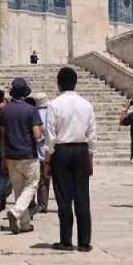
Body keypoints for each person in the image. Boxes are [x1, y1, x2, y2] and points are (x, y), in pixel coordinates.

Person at [44, 67, 96, 253]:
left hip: (62, 151)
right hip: (81, 151)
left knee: (64, 197)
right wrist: (89, 157)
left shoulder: (54, 105)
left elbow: (50, 135)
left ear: (59, 83)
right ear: (75, 82)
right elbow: (92, 135)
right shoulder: (86, 105)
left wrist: (48, 160)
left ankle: (66, 240)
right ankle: (84, 242)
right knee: (82, 196)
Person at [0, 78, 43, 235]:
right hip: (28, 154)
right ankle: (17, 212)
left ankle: (24, 224)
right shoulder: (31, 110)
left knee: (18, 188)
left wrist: (4, 157)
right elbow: (37, 134)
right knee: (31, 185)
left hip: (11, 154)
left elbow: (3, 135)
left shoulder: (5, 110)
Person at [32, 93, 51, 213]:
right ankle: (43, 203)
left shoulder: (34, 113)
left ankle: (33, 203)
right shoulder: (50, 113)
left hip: (35, 151)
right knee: (44, 180)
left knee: (33, 180)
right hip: (48, 150)